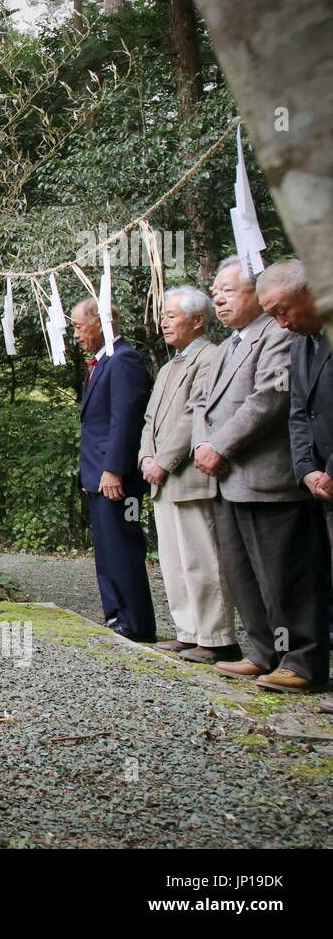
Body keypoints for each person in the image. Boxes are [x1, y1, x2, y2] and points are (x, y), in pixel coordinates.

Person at [193, 257, 326, 694]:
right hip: (227, 478)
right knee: (243, 573)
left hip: (269, 475)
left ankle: (301, 659)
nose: (220, 300)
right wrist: (202, 445)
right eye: (215, 293)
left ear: (256, 293)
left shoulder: (280, 335)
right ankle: (264, 651)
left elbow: (271, 399)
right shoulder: (229, 345)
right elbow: (203, 406)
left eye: (228, 291)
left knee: (285, 575)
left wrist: (220, 445)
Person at [139, 287, 239, 663]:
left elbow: (192, 418)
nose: (164, 321)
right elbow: (150, 419)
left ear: (198, 320)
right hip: (160, 479)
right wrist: (146, 456)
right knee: (174, 561)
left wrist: (163, 461)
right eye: (163, 315)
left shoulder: (210, 357)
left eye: (172, 315)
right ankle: (188, 631)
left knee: (202, 558)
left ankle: (217, 636)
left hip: (188, 477)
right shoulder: (168, 366)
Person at [254, 259, 333, 706]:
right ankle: (310, 668)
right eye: (273, 315)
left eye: (283, 310)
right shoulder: (301, 344)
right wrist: (306, 468)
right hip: (318, 483)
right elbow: (299, 414)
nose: (281, 322)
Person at [71, 296, 156, 641]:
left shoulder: (124, 361)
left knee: (122, 547)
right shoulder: (101, 362)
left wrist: (114, 468)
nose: (75, 335)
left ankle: (136, 622)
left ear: (100, 322)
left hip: (113, 475)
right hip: (95, 473)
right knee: (105, 550)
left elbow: (126, 419)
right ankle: (115, 615)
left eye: (78, 326)